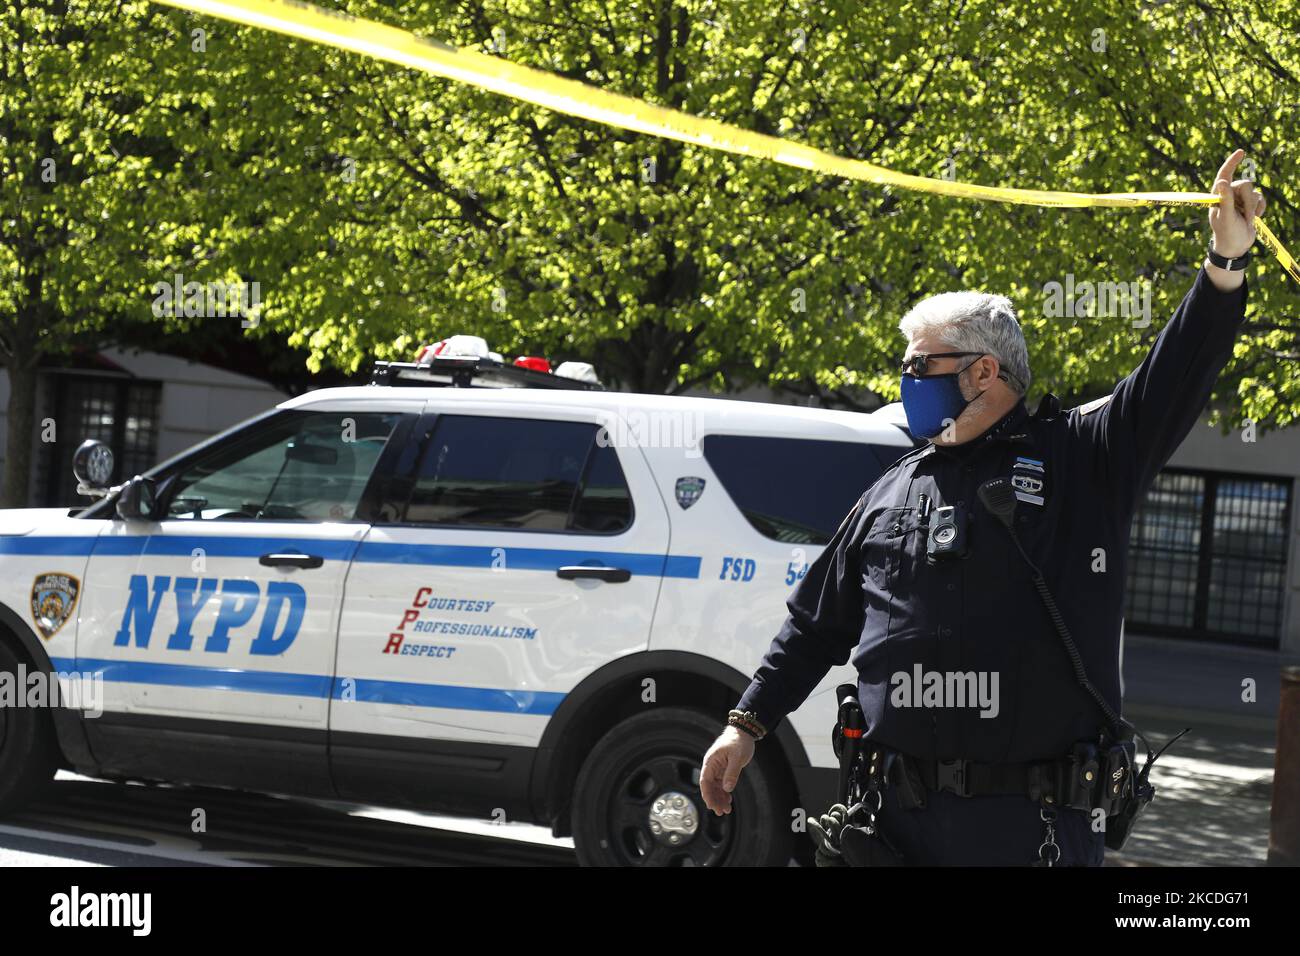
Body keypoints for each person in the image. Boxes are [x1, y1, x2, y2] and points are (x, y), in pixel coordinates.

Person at [700, 149, 1263, 865]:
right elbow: (815, 627)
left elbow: (1173, 378)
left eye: (918, 365)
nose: (905, 380)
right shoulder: (891, 488)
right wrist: (745, 724)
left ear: (984, 371)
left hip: (1029, 834)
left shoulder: (1083, 459)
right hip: (891, 828)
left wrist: (1224, 265)